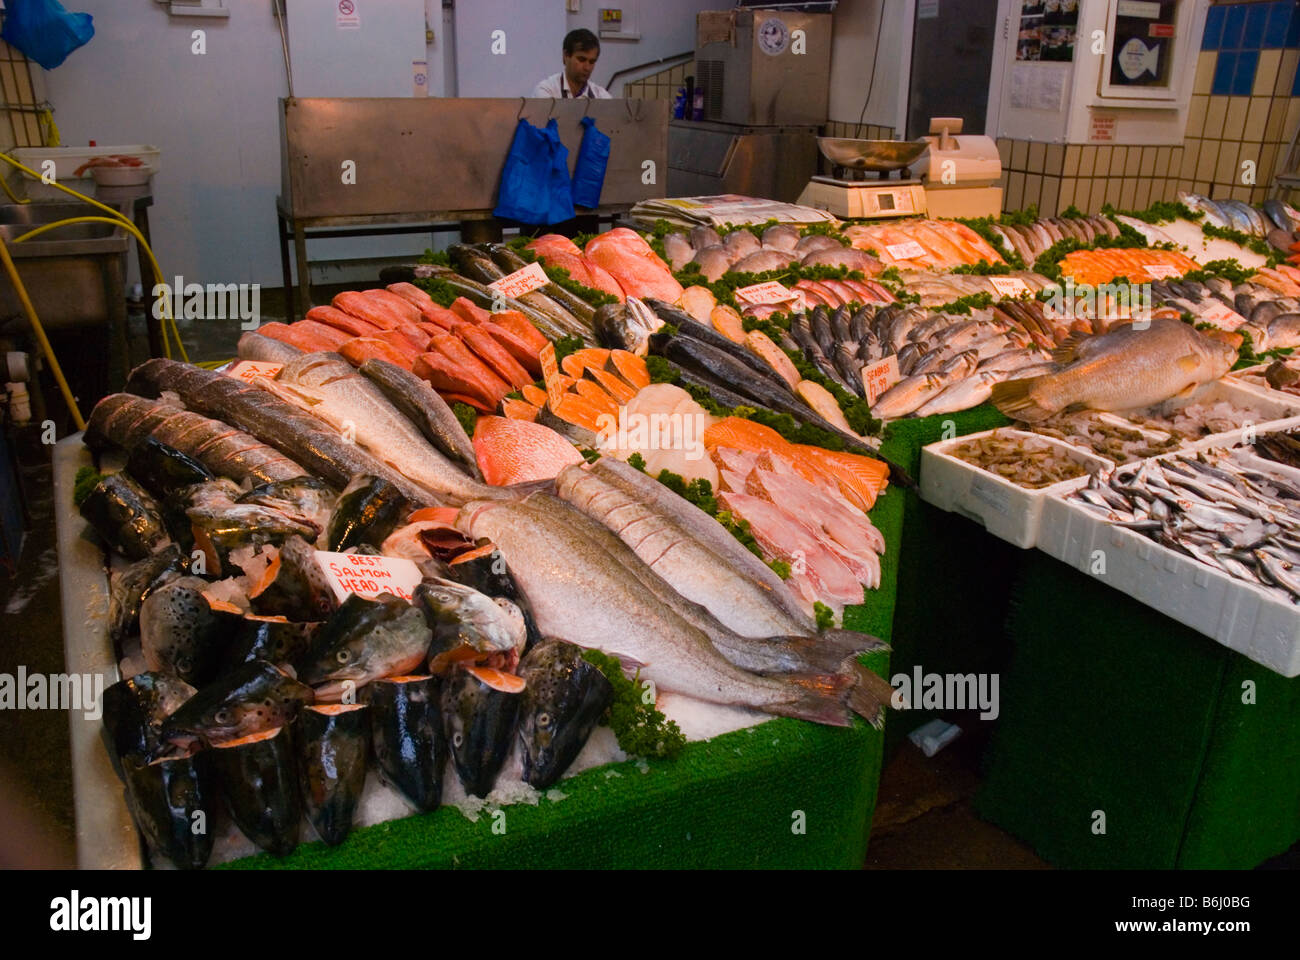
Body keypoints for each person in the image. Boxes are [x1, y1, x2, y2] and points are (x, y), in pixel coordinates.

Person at [532, 29, 612, 99]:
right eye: (581, 60)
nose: (587, 68)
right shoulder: (546, 90)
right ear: (566, 55)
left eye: (592, 62)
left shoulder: (602, 96)